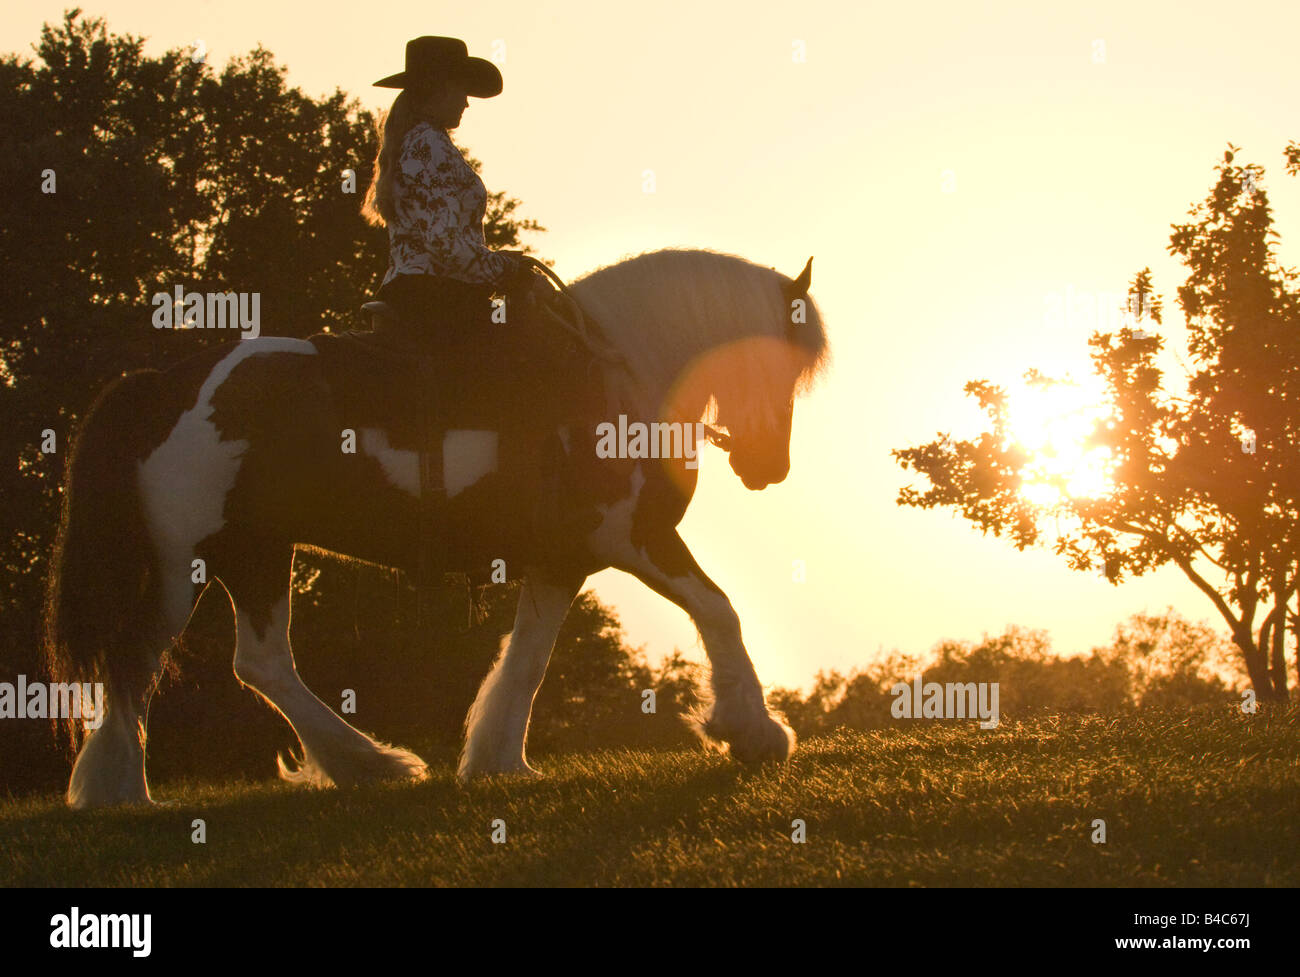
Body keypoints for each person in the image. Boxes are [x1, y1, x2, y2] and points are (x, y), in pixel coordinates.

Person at [361, 36, 581, 558]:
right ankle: (510, 508)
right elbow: (445, 247)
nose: (465, 103)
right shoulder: (429, 145)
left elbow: (444, 238)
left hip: (419, 288)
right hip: (437, 293)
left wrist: (500, 263)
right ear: (437, 89)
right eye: (461, 90)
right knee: (540, 364)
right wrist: (507, 270)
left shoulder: (415, 141)